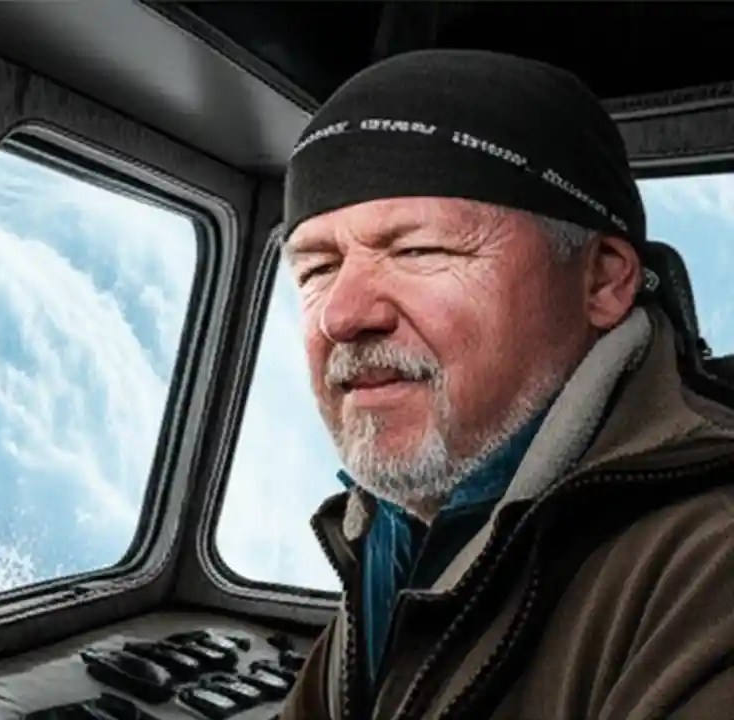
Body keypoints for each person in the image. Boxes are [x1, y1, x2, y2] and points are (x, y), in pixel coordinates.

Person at [276, 49, 734, 720]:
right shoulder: (396, 528)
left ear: (603, 280)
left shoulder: (709, 568)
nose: (344, 315)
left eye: (419, 251)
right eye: (316, 268)